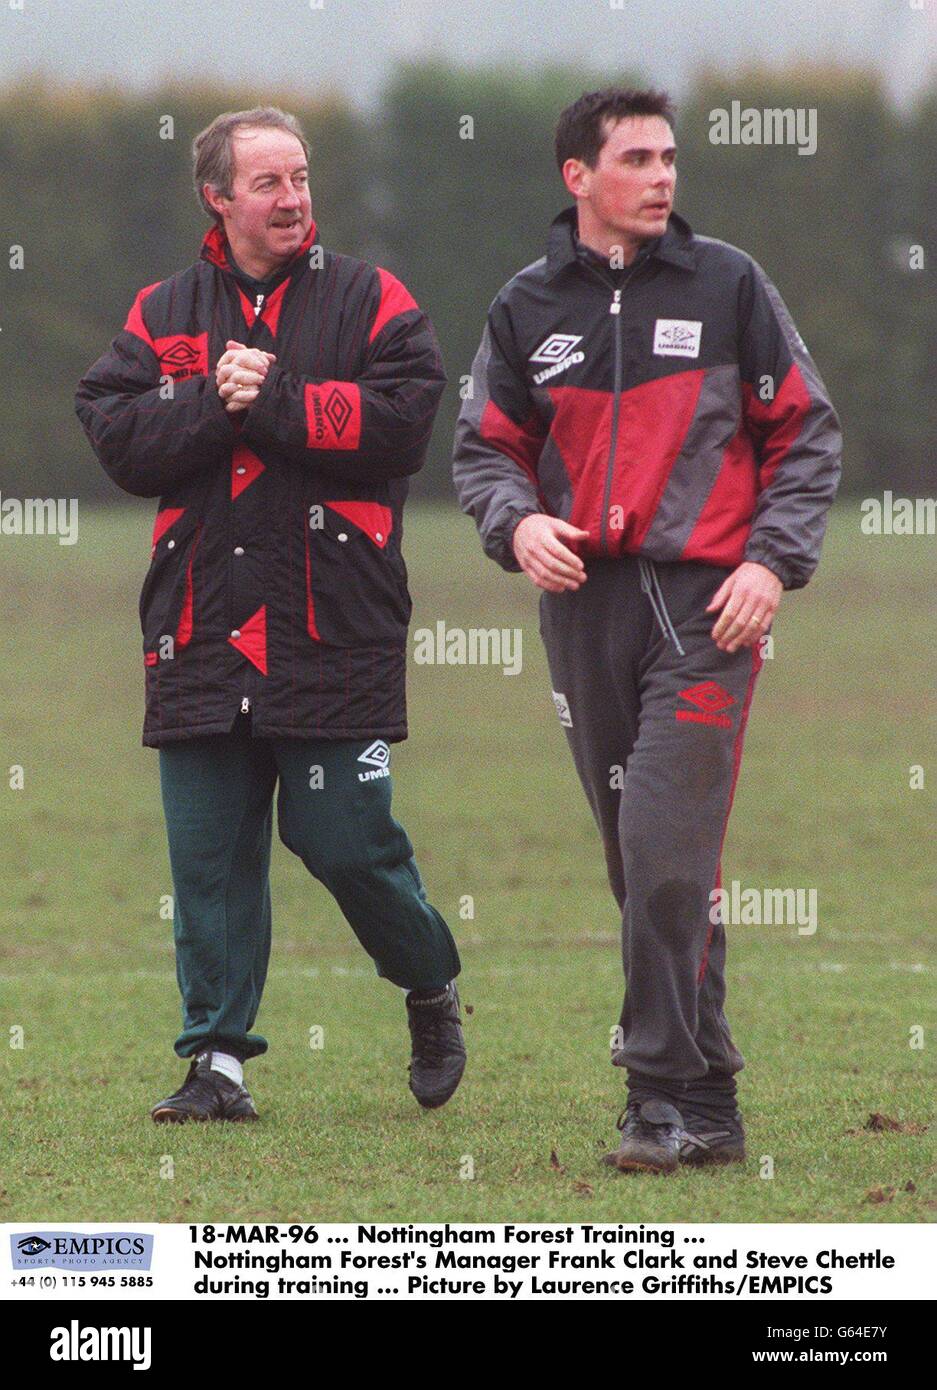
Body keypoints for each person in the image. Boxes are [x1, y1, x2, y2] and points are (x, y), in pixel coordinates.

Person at [452, 87, 841, 1173]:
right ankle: (712, 1096)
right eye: (636, 157)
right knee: (645, 868)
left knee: (666, 850)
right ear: (577, 176)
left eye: (669, 156)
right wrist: (517, 519)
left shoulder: (728, 285)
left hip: (708, 605)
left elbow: (804, 432)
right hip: (584, 607)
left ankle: (656, 1097)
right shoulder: (524, 307)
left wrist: (771, 561)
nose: (663, 175)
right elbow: (483, 449)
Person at [76, 106, 465, 1123]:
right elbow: (117, 436)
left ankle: (429, 980)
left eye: (300, 178)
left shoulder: (376, 299)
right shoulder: (163, 310)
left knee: (345, 843)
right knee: (208, 861)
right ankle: (216, 1062)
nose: (293, 198)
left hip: (335, 629)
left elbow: (405, 422)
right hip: (198, 628)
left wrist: (276, 397)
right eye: (267, 184)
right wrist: (211, 398)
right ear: (217, 198)